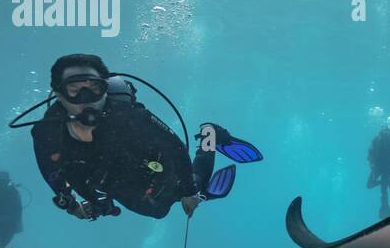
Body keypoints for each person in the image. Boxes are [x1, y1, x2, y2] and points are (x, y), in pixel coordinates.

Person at [29, 54, 262, 222]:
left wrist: (190, 193)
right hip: (119, 185)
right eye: (74, 89)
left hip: (154, 168)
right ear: (58, 93)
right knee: (159, 212)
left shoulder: (128, 116)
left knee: (194, 184)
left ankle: (210, 136)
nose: (86, 97)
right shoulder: (46, 134)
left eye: (94, 88)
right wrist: (75, 205)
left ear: (105, 89)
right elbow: (55, 177)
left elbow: (175, 147)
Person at [366, 123, 390, 218]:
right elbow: (369, 154)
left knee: (384, 191)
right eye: (384, 130)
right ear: (381, 131)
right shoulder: (376, 140)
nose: (386, 132)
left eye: (388, 131)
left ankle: (385, 210)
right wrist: (372, 165)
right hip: (378, 166)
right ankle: (385, 182)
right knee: (369, 185)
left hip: (389, 168)